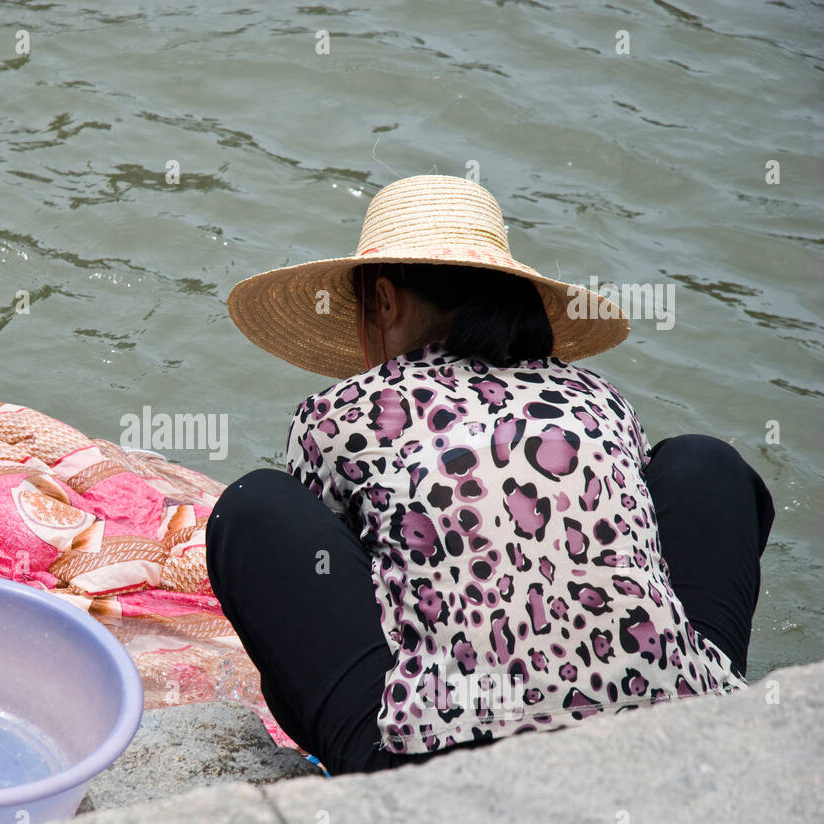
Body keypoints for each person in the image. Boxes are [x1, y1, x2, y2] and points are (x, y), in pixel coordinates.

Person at [209, 175, 774, 775]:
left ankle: (381, 773)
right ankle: (700, 702)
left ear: (385, 301)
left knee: (254, 506)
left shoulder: (339, 415)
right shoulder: (598, 399)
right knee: (703, 462)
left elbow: (339, 596)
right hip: (674, 730)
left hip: (445, 760)